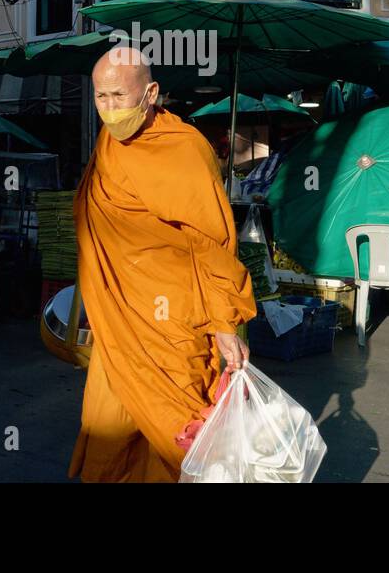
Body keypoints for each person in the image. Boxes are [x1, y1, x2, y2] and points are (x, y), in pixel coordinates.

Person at [68, 46, 256, 483]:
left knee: (175, 432)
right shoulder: (108, 146)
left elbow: (213, 242)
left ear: (150, 92)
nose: (110, 110)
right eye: (101, 98)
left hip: (172, 321)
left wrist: (224, 323)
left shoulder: (183, 149)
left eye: (119, 95)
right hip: (119, 323)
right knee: (110, 427)